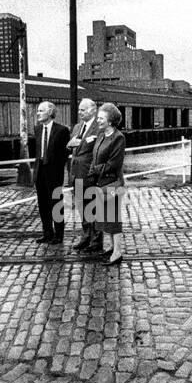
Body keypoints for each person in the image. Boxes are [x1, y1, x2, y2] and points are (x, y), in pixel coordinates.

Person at [86, 102, 127, 265]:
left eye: (101, 118)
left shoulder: (118, 138)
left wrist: (95, 169)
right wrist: (92, 172)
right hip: (100, 182)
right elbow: (94, 156)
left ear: (110, 121)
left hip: (112, 183)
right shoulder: (101, 135)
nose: (98, 121)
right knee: (105, 217)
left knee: (113, 217)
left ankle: (117, 252)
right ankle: (111, 247)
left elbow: (114, 164)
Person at [30, 100, 69, 244]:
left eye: (41, 110)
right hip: (40, 170)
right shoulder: (37, 129)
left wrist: (57, 168)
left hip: (54, 172)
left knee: (56, 204)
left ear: (50, 112)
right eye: (38, 111)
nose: (38, 113)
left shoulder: (62, 130)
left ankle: (58, 235)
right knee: (43, 203)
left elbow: (64, 154)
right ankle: (47, 232)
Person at [65, 97, 101, 253]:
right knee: (82, 207)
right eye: (79, 110)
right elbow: (70, 148)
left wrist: (94, 172)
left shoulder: (98, 128)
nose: (80, 112)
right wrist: (70, 145)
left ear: (93, 110)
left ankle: (96, 240)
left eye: (83, 110)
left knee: (93, 207)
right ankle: (86, 236)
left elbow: (99, 152)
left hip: (89, 174)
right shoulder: (77, 127)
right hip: (76, 174)